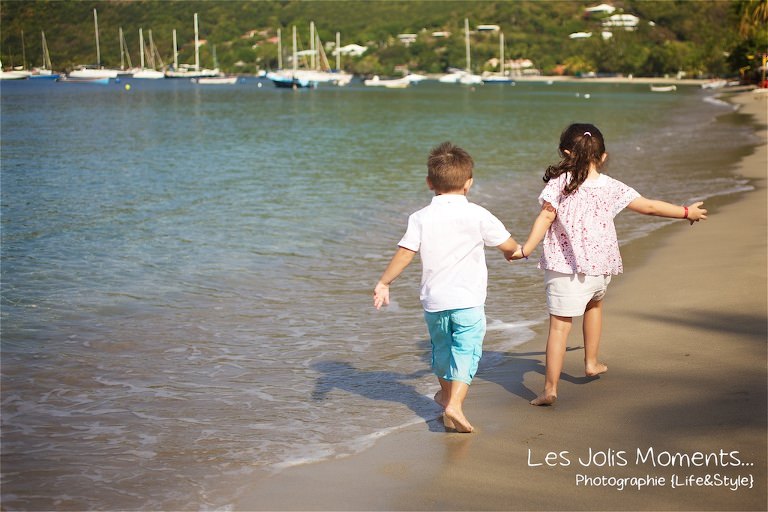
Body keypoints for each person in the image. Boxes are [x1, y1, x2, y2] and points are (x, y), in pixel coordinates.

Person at [509, 123, 707, 406]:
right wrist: (686, 211)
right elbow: (649, 207)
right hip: (600, 266)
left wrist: (526, 248)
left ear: (566, 152)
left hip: (565, 268)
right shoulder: (611, 186)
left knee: (559, 328)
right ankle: (590, 362)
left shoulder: (559, 183)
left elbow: (545, 218)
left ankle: (550, 389)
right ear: (603, 156)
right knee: (594, 306)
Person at [373, 141, 520, 433]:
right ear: (469, 184)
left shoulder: (420, 218)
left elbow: (405, 253)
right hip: (468, 300)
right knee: (467, 350)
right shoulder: (478, 214)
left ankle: (445, 397)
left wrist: (384, 282)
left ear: (429, 183)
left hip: (435, 301)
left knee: (442, 350)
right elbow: (509, 245)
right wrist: (514, 252)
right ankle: (455, 404)